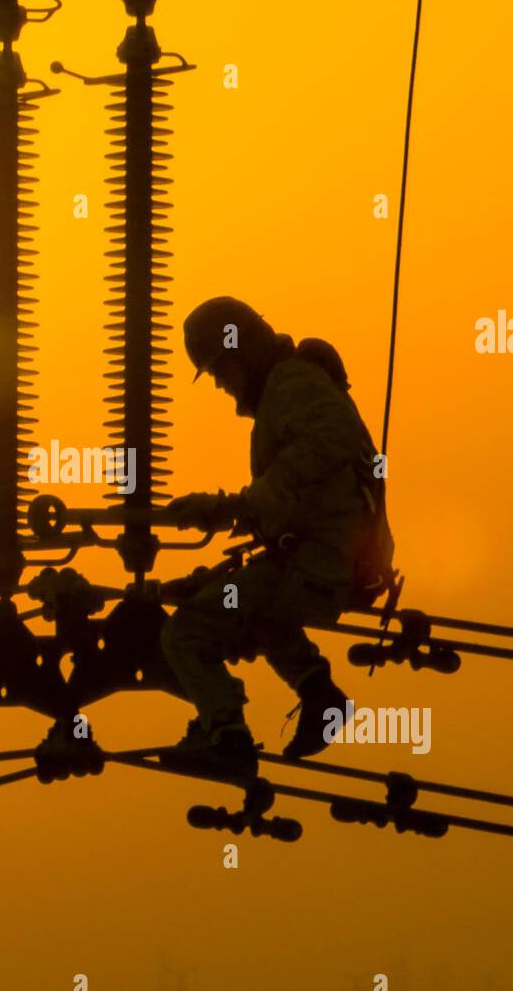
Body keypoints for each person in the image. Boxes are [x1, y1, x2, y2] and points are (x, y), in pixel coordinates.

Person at [161, 297, 394, 764]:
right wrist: (223, 511)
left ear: (242, 352)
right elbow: (291, 498)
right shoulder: (286, 391)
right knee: (260, 612)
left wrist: (240, 504)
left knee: (185, 632)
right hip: (323, 563)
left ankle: (225, 733)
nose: (221, 385)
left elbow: (332, 439)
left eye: (220, 370)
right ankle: (319, 692)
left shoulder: (293, 384)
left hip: (319, 563)